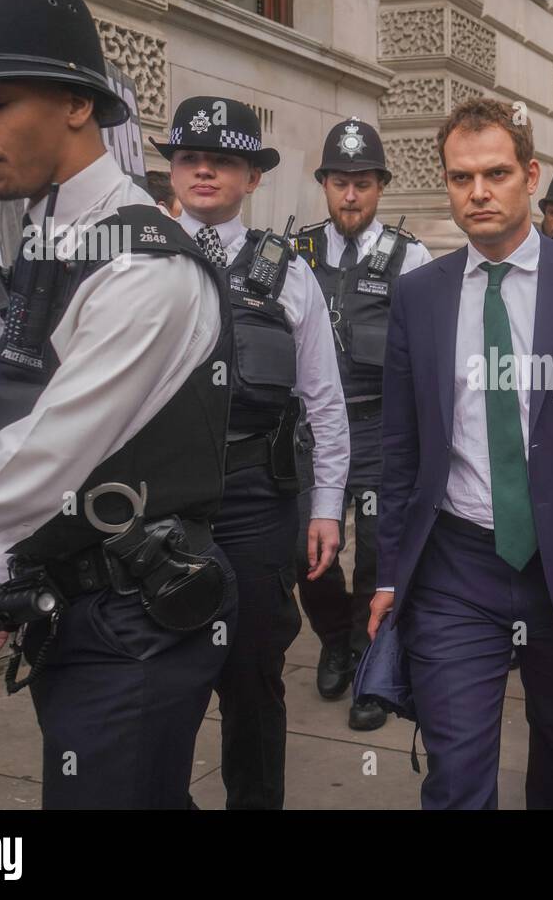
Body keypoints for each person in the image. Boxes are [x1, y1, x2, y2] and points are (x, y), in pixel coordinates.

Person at [0, 0, 234, 809]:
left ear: (77, 103)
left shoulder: (143, 272)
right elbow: (73, 465)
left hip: (137, 629)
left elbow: (37, 467)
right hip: (75, 611)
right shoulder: (51, 231)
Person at [367, 98, 553, 808]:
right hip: (455, 565)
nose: (478, 192)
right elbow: (399, 449)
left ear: (531, 176)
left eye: (496, 173)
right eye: (461, 177)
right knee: (457, 765)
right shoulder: (418, 295)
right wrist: (386, 571)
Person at [153, 96, 348, 809]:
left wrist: (326, 508)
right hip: (155, 502)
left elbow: (324, 401)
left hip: (255, 499)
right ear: (171, 169)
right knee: (156, 679)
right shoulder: (135, 256)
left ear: (252, 178)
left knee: (254, 674)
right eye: (189, 158)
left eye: (224, 160)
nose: (204, 170)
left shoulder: (288, 273)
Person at [294, 118, 433, 731]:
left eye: (363, 183)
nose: (350, 195)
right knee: (310, 552)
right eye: (340, 182)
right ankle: (332, 639)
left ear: (381, 187)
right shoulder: (291, 256)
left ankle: (372, 660)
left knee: (381, 551)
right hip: (309, 433)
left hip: (380, 430)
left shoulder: (411, 257)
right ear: (323, 184)